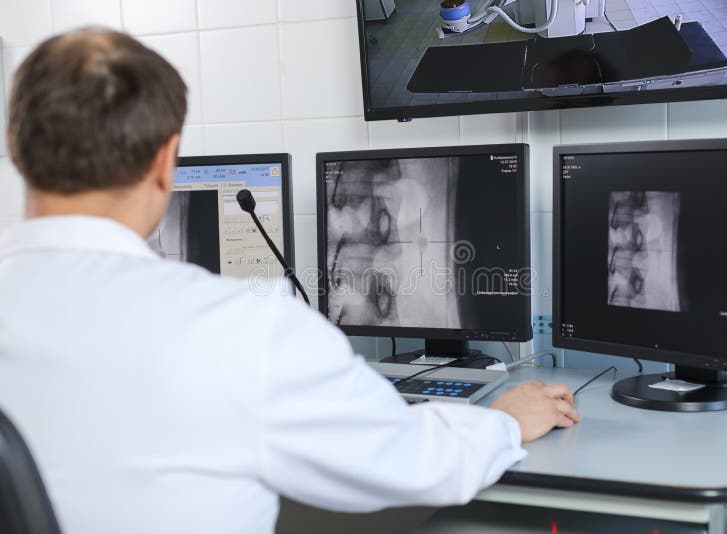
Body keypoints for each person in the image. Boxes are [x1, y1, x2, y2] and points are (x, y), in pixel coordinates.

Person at [0, 29, 580, 534]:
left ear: (14, 147)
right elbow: (410, 460)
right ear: (164, 160)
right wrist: (504, 422)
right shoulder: (239, 329)